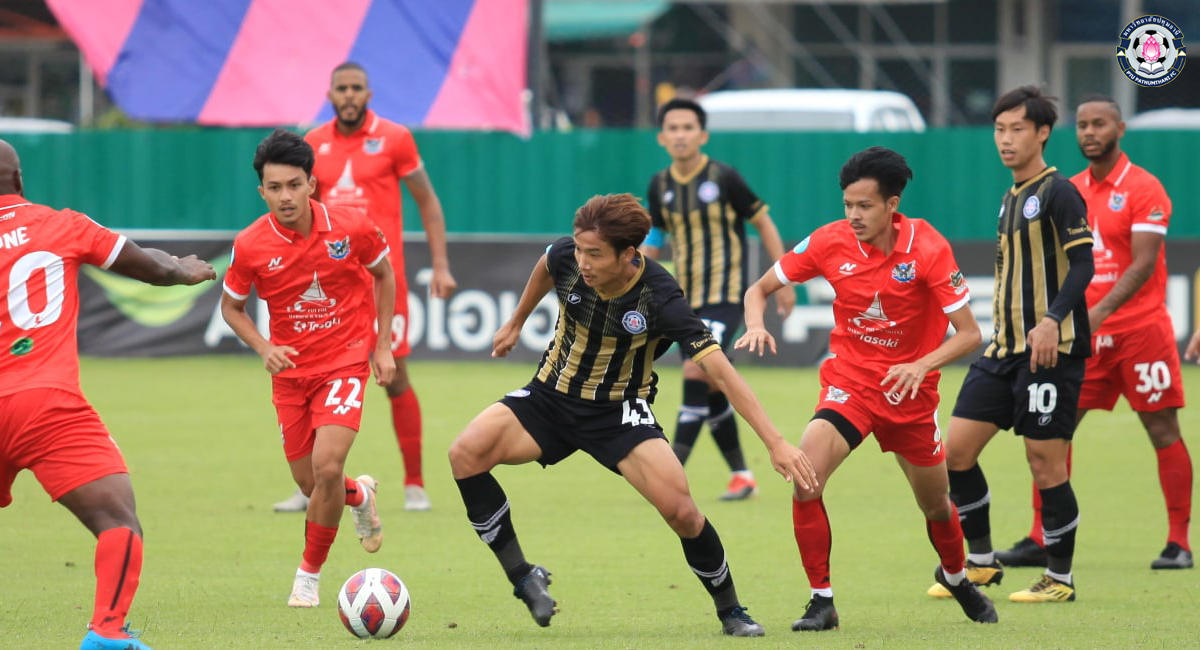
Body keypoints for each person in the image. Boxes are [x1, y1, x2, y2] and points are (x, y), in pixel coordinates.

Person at [447, 193, 817, 636]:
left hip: (619, 413)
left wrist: (775, 441)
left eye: (595, 254)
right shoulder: (568, 256)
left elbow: (719, 368)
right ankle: (523, 576)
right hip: (549, 397)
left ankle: (731, 611)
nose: (582, 261)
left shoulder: (659, 296)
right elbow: (547, 263)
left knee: (682, 512)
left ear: (629, 254)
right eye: (580, 250)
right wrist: (516, 321)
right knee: (464, 454)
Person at [736, 146, 995, 631]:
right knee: (806, 478)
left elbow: (970, 334)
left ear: (892, 205)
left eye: (865, 206)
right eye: (847, 205)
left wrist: (922, 364)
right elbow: (759, 290)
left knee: (936, 503)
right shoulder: (829, 241)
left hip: (911, 397)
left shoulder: (928, 248)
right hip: (850, 385)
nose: (853, 216)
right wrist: (755, 323)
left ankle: (959, 578)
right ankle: (822, 601)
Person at [0, 138, 216, 650]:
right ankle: (107, 633)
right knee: (117, 518)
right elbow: (152, 267)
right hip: (46, 403)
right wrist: (186, 269)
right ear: (21, 180)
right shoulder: (63, 224)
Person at [994, 95, 1193, 571]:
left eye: (1099, 124)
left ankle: (1179, 541)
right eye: (1082, 124)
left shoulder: (1144, 187)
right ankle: (1042, 536)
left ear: (1120, 128)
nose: (1089, 132)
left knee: (1162, 429)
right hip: (1081, 340)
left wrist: (1098, 311)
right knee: (1050, 432)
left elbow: (1144, 263)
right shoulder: (1068, 189)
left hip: (1140, 332)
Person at [270, 61, 457, 513]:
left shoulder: (394, 138)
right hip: (328, 285)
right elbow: (296, 207)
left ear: (368, 94)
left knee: (396, 378)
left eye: (356, 88)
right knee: (310, 379)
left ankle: (415, 483)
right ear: (330, 94)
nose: (349, 95)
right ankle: (310, 485)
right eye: (341, 88)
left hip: (378, 280)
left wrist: (441, 265)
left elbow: (428, 202)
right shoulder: (313, 142)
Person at [221, 129, 396, 608]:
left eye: (294, 185)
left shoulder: (352, 227)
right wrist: (263, 347)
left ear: (312, 185)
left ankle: (308, 576)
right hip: (290, 375)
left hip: (344, 362)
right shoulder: (251, 244)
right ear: (262, 191)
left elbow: (385, 274)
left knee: (327, 466)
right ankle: (360, 496)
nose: (285, 197)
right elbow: (231, 308)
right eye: (274, 188)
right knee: (311, 483)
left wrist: (382, 346)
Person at [935, 86, 1094, 603]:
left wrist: (1050, 321)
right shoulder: (1011, 195)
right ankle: (980, 564)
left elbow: (1084, 265)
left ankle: (1060, 578)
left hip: (1053, 350)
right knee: (954, 452)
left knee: (1045, 462)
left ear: (1042, 133)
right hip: (1002, 352)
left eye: (1017, 129)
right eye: (999, 130)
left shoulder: (1059, 191)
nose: (1005, 140)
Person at [642, 98, 795, 501]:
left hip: (726, 296)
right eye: (672, 128)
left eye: (687, 127)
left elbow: (762, 220)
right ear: (661, 137)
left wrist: (784, 279)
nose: (680, 135)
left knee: (696, 371)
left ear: (702, 135)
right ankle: (743, 475)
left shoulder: (724, 177)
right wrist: (633, 279)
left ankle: (670, 472)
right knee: (710, 388)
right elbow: (655, 238)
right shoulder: (660, 185)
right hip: (683, 300)